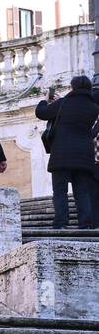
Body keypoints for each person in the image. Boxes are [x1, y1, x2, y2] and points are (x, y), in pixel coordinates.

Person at [35, 77, 99, 228]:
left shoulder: (63, 103)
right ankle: (86, 222)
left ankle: (61, 222)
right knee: (82, 191)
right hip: (84, 155)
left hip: (62, 154)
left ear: (72, 88)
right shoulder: (94, 108)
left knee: (60, 190)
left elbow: (41, 112)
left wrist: (46, 100)